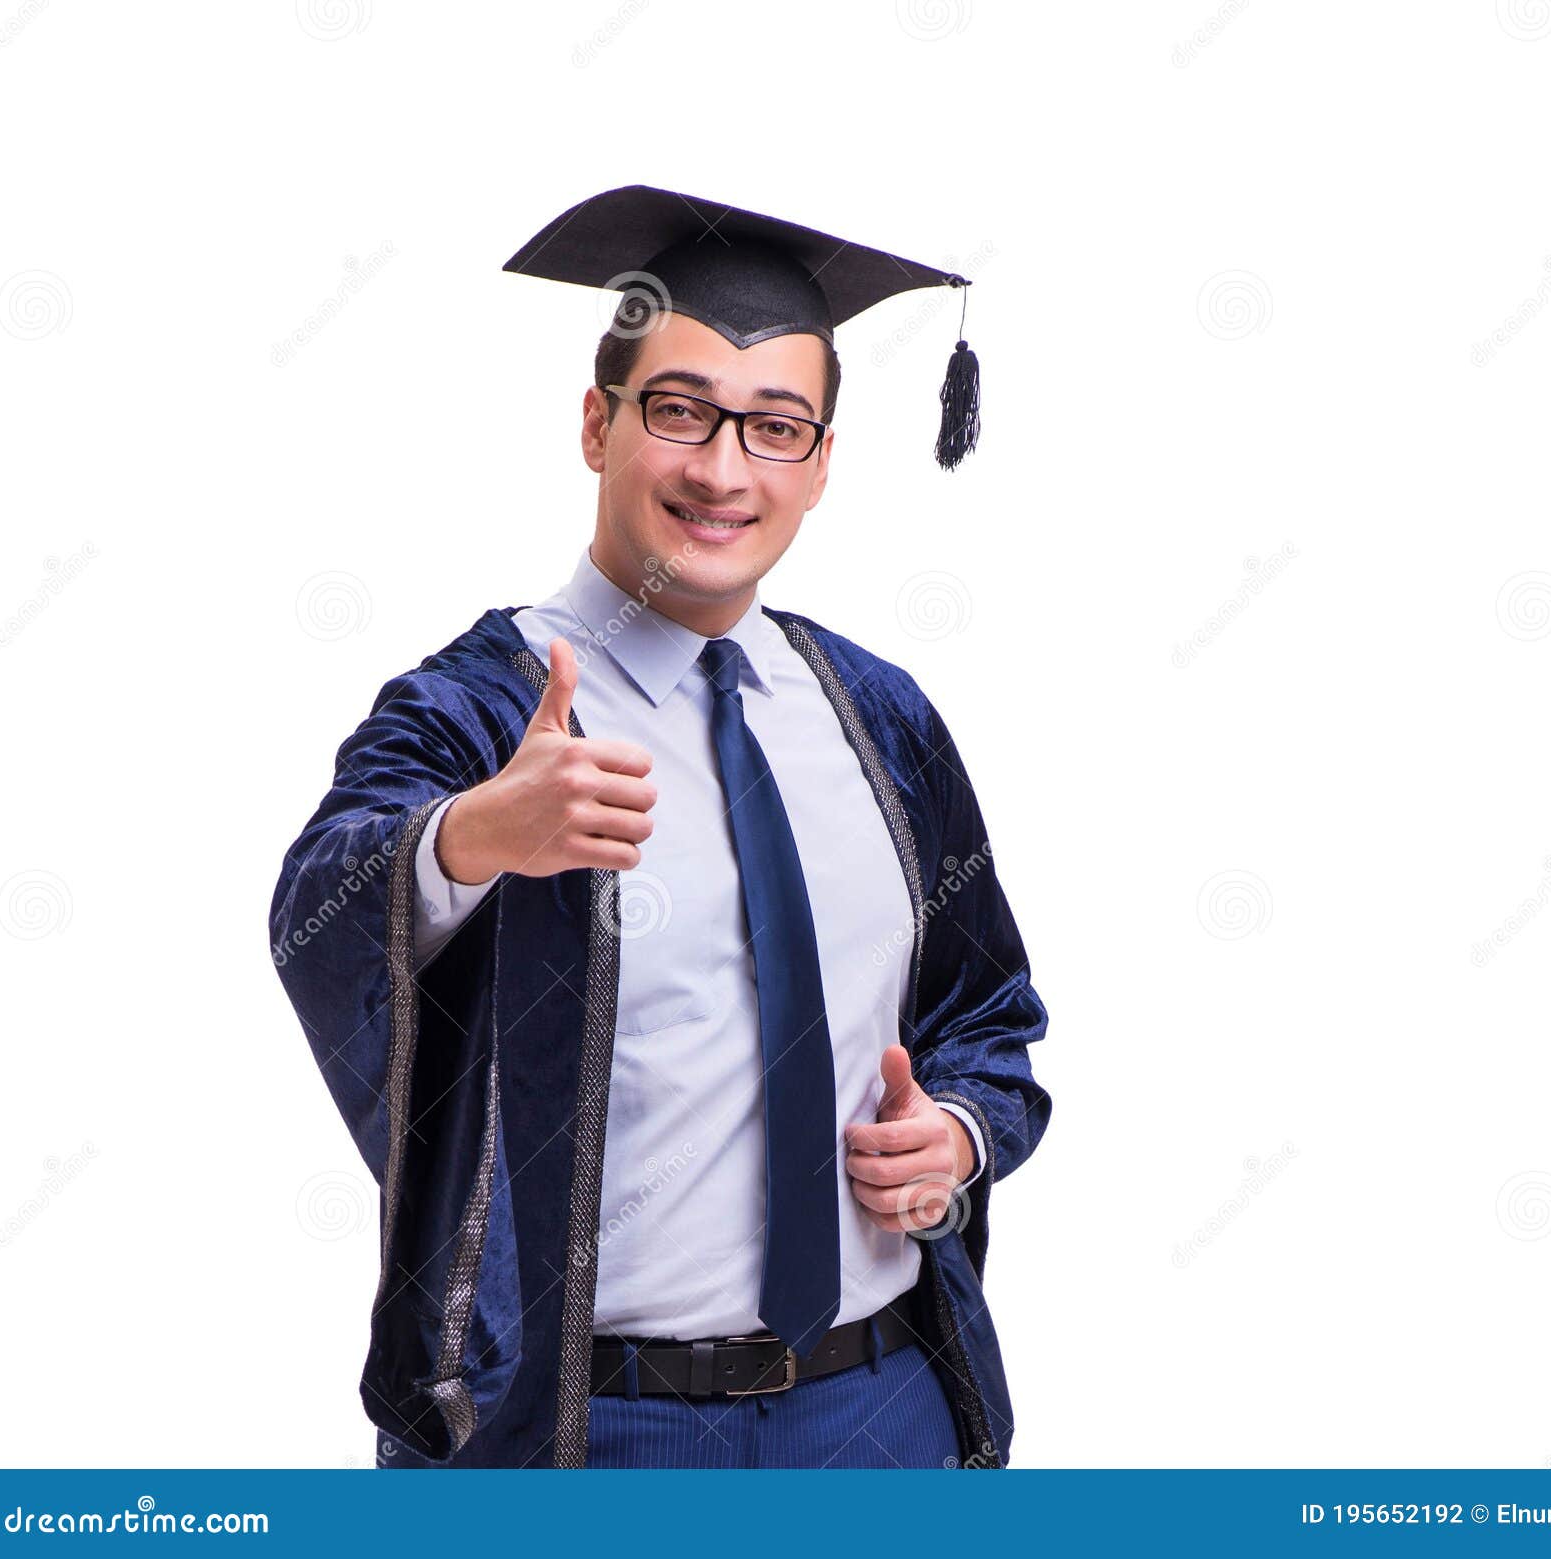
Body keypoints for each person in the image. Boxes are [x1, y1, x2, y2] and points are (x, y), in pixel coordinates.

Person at [268, 184, 1052, 1470]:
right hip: (582, 1427)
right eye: (679, 411)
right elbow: (316, 906)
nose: (722, 468)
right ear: (598, 423)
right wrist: (473, 835)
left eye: (775, 427)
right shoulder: (481, 708)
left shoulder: (879, 718)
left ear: (820, 463)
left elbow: (986, 1009)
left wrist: (954, 1131)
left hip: (878, 1406)